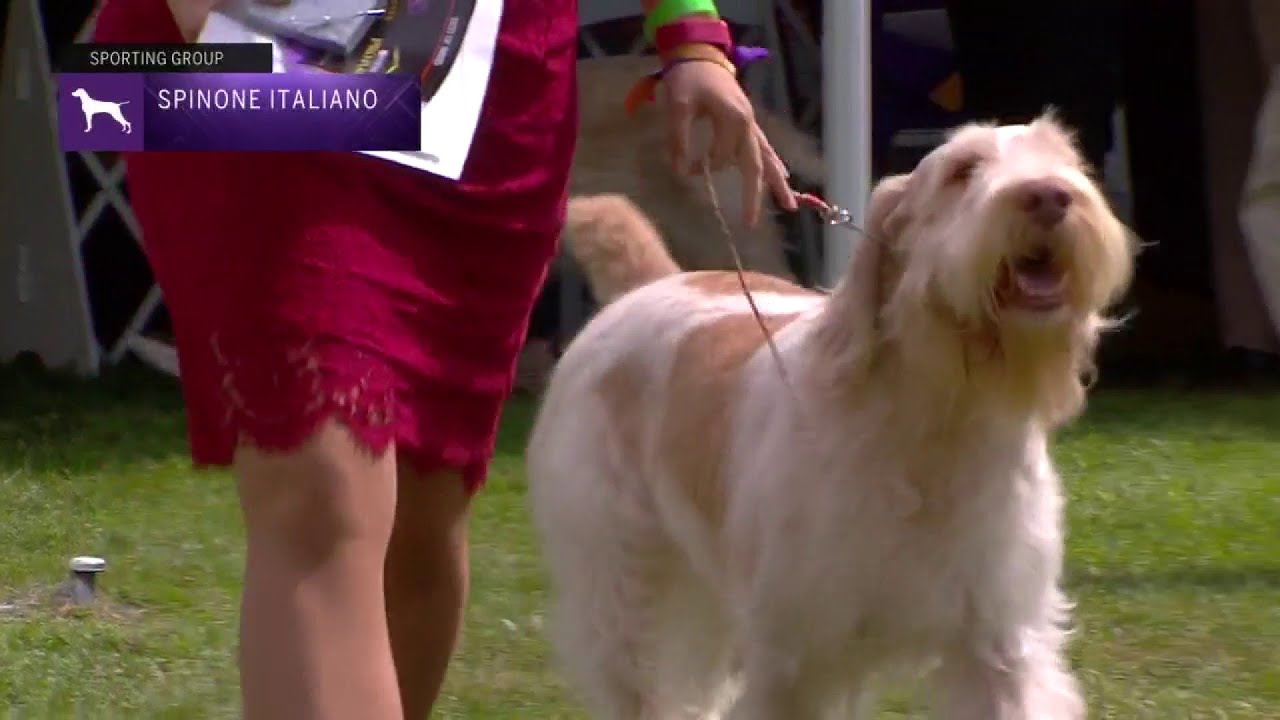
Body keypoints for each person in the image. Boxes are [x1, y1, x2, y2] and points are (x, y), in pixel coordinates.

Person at [92, 0, 797, 717]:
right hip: (226, 55)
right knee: (318, 489)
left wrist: (693, 36)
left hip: (485, 88)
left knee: (421, 518)